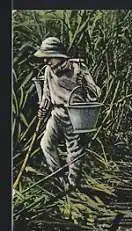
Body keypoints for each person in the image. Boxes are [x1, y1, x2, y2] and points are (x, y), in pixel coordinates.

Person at [35, 37, 101, 191]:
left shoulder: (77, 68)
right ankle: (60, 181)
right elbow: (46, 95)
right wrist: (43, 106)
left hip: (74, 115)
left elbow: (96, 92)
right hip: (56, 114)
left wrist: (82, 84)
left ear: (59, 55)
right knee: (46, 144)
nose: (46, 61)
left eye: (49, 57)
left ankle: (72, 185)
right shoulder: (48, 71)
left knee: (74, 151)